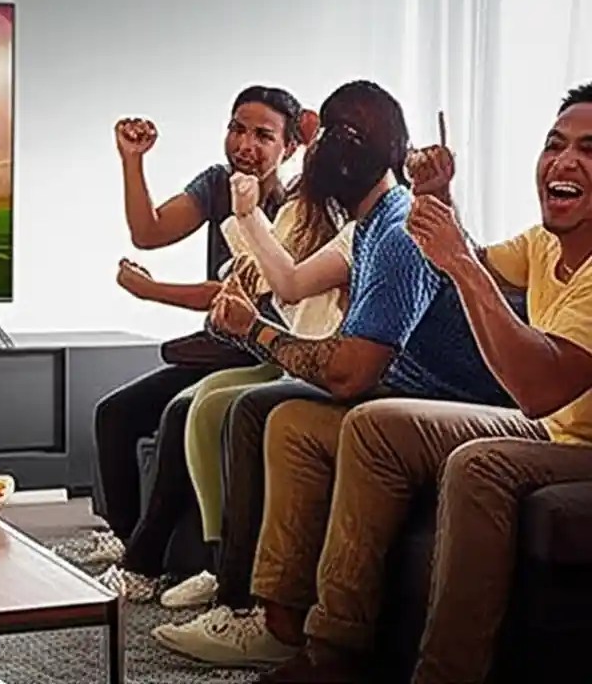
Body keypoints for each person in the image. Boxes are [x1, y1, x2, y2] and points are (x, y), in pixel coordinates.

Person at [156, 80, 518, 666]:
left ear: (353, 155)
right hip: (410, 390)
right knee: (287, 422)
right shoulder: (371, 223)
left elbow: (350, 374)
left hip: (467, 407)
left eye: (325, 134)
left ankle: (328, 647)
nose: (314, 145)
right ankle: (277, 627)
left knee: (301, 414)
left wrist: (253, 331)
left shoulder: (399, 232)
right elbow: (295, 287)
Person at [245, 81, 592, 684]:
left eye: (588, 150)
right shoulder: (542, 242)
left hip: (573, 439)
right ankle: (332, 651)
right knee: (374, 427)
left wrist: (456, 258)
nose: (564, 162)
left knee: (478, 466)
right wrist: (441, 199)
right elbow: (475, 264)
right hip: (547, 427)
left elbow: (540, 389)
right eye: (554, 144)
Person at [90, 85, 308, 599]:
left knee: (179, 414)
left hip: (262, 353)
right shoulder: (216, 184)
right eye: (237, 129)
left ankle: (144, 564)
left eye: (263, 136)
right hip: (217, 348)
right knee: (114, 414)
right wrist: (132, 160)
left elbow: (243, 292)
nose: (245, 145)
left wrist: (150, 291)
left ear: (289, 147)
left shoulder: (296, 206)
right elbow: (149, 232)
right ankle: (128, 544)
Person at [157, 163, 357, 610]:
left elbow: (288, 283)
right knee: (194, 407)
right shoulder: (291, 218)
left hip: (315, 363)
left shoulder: (354, 230)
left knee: (236, 409)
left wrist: (246, 220)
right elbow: (269, 282)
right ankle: (212, 561)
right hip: (288, 355)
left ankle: (233, 589)